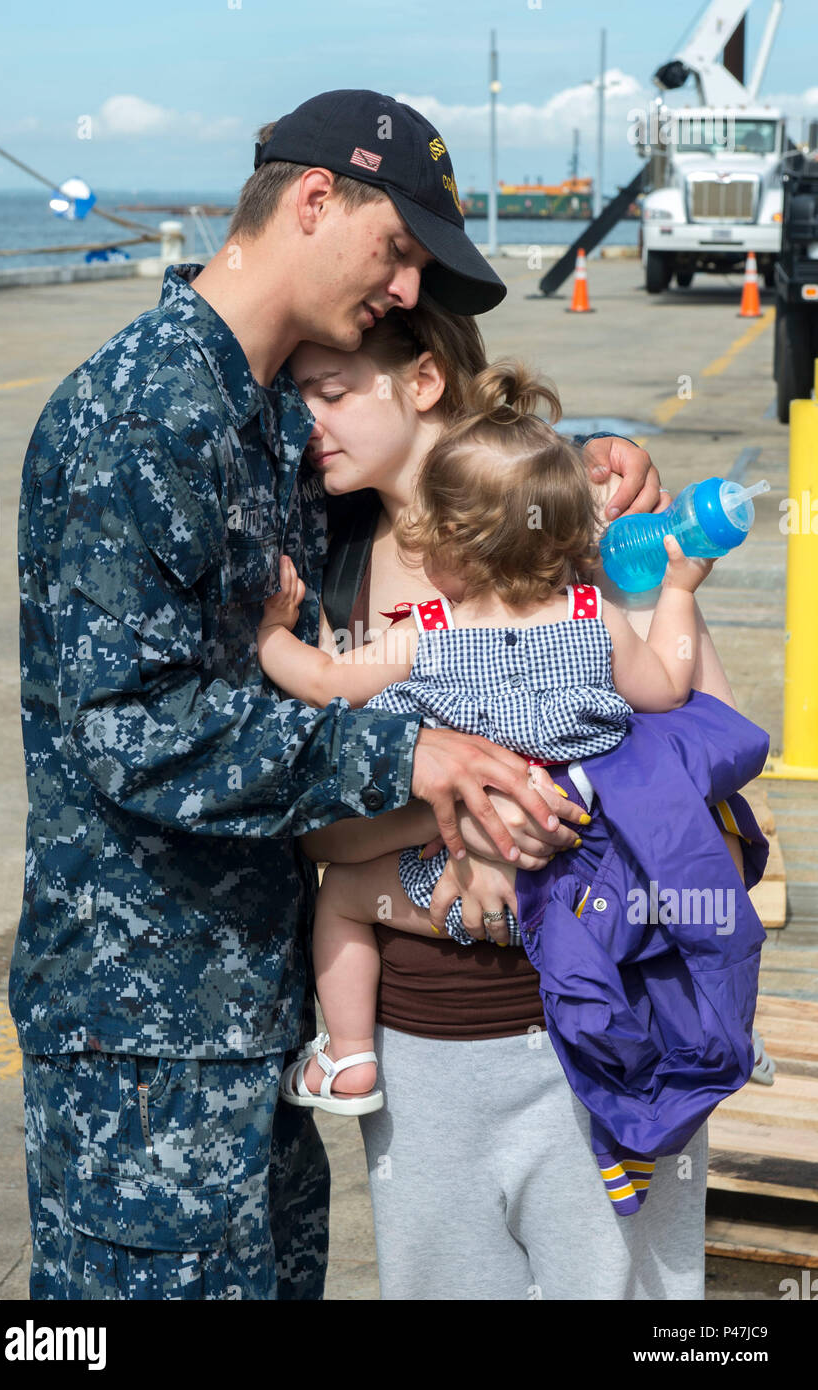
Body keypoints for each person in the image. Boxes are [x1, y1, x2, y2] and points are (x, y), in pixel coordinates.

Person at [13, 89, 634, 1301]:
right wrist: (413, 760)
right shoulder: (146, 418)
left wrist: (599, 456)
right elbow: (136, 736)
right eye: (398, 250)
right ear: (312, 200)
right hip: (146, 1040)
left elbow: (431, 446)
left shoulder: (264, 414)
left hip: (256, 1010)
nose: (406, 291)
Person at [282, 292, 765, 1299]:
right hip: (434, 1040)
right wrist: (456, 801)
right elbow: (311, 825)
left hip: (607, 1030)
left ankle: (346, 1051)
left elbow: (704, 749)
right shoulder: (327, 562)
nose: (305, 422)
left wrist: (652, 579)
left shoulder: (563, 529)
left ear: (422, 380)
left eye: (329, 390)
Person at [257, 360, 722, 1119]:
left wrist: (274, 632)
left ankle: (346, 1059)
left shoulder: (423, 635)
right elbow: (670, 689)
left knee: (341, 898)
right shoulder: (591, 619)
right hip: (589, 874)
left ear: (446, 548)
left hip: (451, 882)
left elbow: (321, 683)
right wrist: (673, 592)